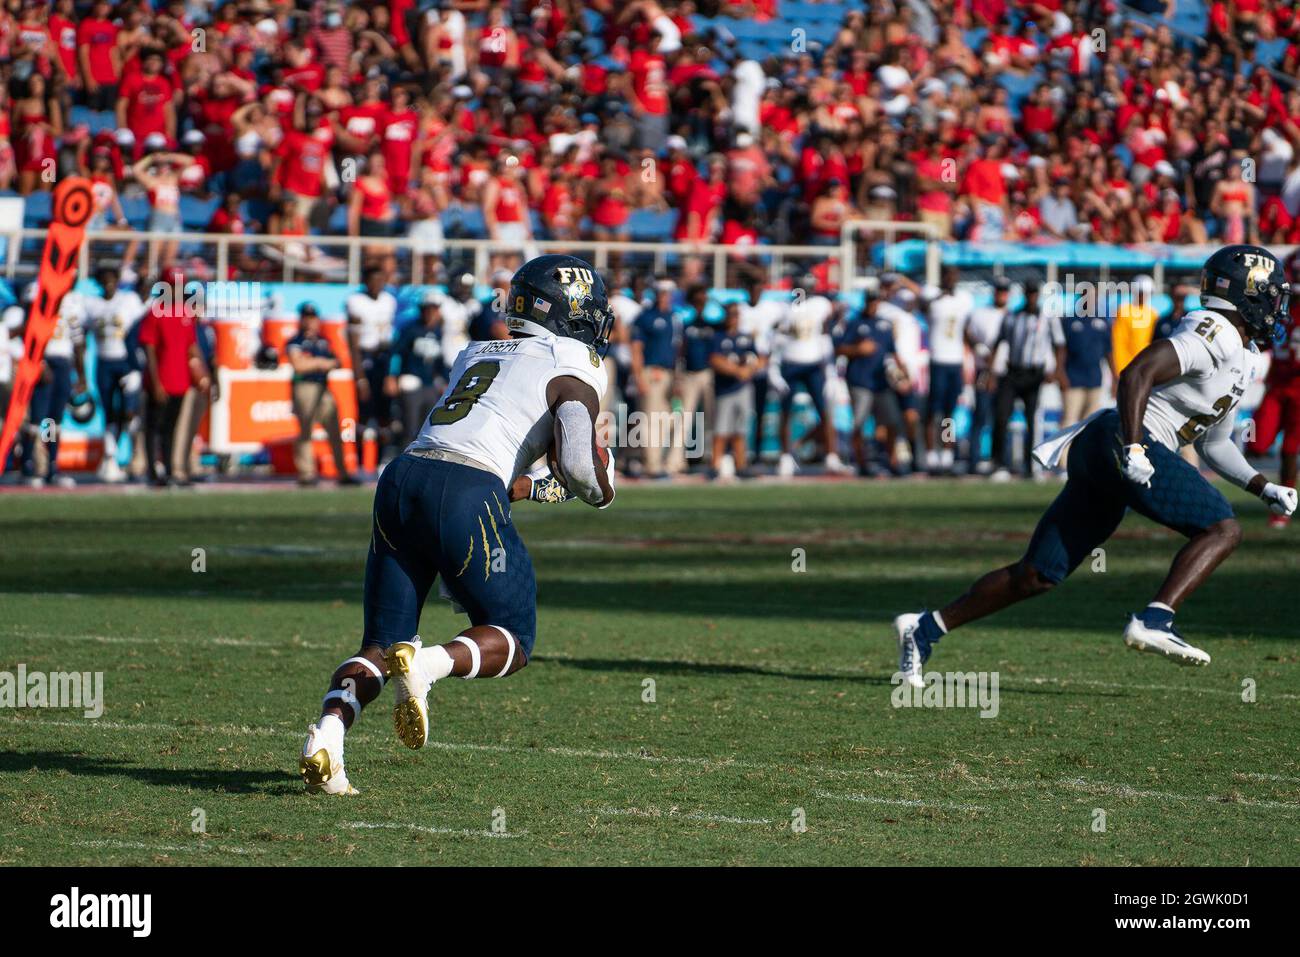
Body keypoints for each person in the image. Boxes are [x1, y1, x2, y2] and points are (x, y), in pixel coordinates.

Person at [893, 245, 1297, 685]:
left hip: (1108, 448)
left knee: (1038, 573)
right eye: (1272, 295)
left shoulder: (1242, 355)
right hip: (1122, 442)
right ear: (1246, 294)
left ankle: (925, 628)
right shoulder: (1214, 331)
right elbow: (1136, 373)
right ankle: (1155, 619)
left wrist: (1263, 487)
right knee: (1223, 529)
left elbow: (1214, 444)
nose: (1278, 306)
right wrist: (1137, 447)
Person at [299, 255, 617, 794]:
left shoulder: (477, 350)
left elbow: (497, 437)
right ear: (572, 311)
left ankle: (327, 734)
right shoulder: (576, 361)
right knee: (513, 636)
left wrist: (536, 483)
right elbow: (581, 466)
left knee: (379, 641)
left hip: (403, 476)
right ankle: (426, 666)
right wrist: (602, 489)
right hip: (466, 489)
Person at [990, 281, 1066, 480]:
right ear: (1024, 294)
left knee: (1033, 420)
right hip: (1013, 372)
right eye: (1029, 293)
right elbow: (998, 343)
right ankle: (998, 464)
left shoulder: (1048, 317)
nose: (1032, 297)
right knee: (1001, 416)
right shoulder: (1013, 317)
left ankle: (1030, 466)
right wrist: (990, 373)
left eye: (1034, 293)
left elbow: (1059, 345)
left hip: (1034, 374)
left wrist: (1056, 371)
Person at [82, 267, 146, 483]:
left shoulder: (129, 300)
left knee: (130, 411)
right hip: (104, 363)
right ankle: (110, 459)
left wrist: (137, 366)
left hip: (126, 362)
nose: (109, 285)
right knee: (110, 412)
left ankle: (138, 458)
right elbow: (80, 334)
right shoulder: (91, 304)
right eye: (104, 281)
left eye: (112, 280)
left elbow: (140, 332)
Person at [286, 303, 356, 488]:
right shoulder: (296, 341)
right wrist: (321, 363)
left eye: (313, 318)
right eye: (306, 318)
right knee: (305, 430)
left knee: (334, 430)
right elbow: (299, 365)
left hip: (323, 387)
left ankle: (342, 471)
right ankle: (307, 473)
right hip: (304, 386)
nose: (310, 322)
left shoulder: (323, 341)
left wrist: (314, 362)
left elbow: (337, 361)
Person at [924, 267, 974, 474]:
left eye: (955, 276)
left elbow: (966, 329)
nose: (952, 279)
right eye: (948, 275)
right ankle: (930, 454)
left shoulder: (963, 299)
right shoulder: (933, 296)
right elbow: (922, 304)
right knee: (932, 411)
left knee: (948, 413)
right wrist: (937, 295)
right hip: (937, 359)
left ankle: (946, 454)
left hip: (955, 361)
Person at [346, 266, 398, 458]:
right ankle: (360, 463)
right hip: (365, 358)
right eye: (372, 280)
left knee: (385, 415)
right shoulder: (356, 301)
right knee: (364, 414)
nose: (377, 284)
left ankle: (380, 461)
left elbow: (390, 338)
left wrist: (392, 372)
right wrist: (359, 377)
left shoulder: (389, 301)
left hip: (383, 358)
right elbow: (353, 342)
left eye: (380, 279)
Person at [631, 280, 681, 478]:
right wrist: (639, 376)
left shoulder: (673, 317)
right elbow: (636, 349)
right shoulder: (645, 317)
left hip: (669, 373)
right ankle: (652, 465)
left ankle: (665, 462)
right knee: (650, 421)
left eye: (668, 293)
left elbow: (677, 348)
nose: (664, 296)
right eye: (661, 292)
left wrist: (677, 377)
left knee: (668, 420)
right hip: (651, 372)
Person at [388, 292, 450, 442]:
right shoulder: (411, 330)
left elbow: (439, 360)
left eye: (434, 309)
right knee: (410, 427)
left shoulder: (438, 332)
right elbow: (395, 353)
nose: (430, 313)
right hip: (411, 382)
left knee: (428, 428)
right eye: (426, 309)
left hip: (429, 384)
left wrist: (445, 380)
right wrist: (391, 376)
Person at [709, 302, 761, 479]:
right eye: (731, 314)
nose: (734, 318)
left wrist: (749, 370)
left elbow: (759, 359)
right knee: (721, 429)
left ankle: (741, 465)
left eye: (736, 315)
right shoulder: (719, 337)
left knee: (741, 429)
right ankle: (715, 465)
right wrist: (737, 371)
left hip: (743, 388)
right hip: (725, 388)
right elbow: (715, 360)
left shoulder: (746, 338)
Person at [966, 277, 1011, 473]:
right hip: (984, 371)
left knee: (1001, 418)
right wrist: (978, 348)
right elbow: (967, 333)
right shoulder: (980, 314)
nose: (1001, 294)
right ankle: (974, 460)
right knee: (980, 415)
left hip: (1006, 372)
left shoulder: (1012, 316)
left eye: (1004, 291)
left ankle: (999, 460)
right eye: (999, 290)